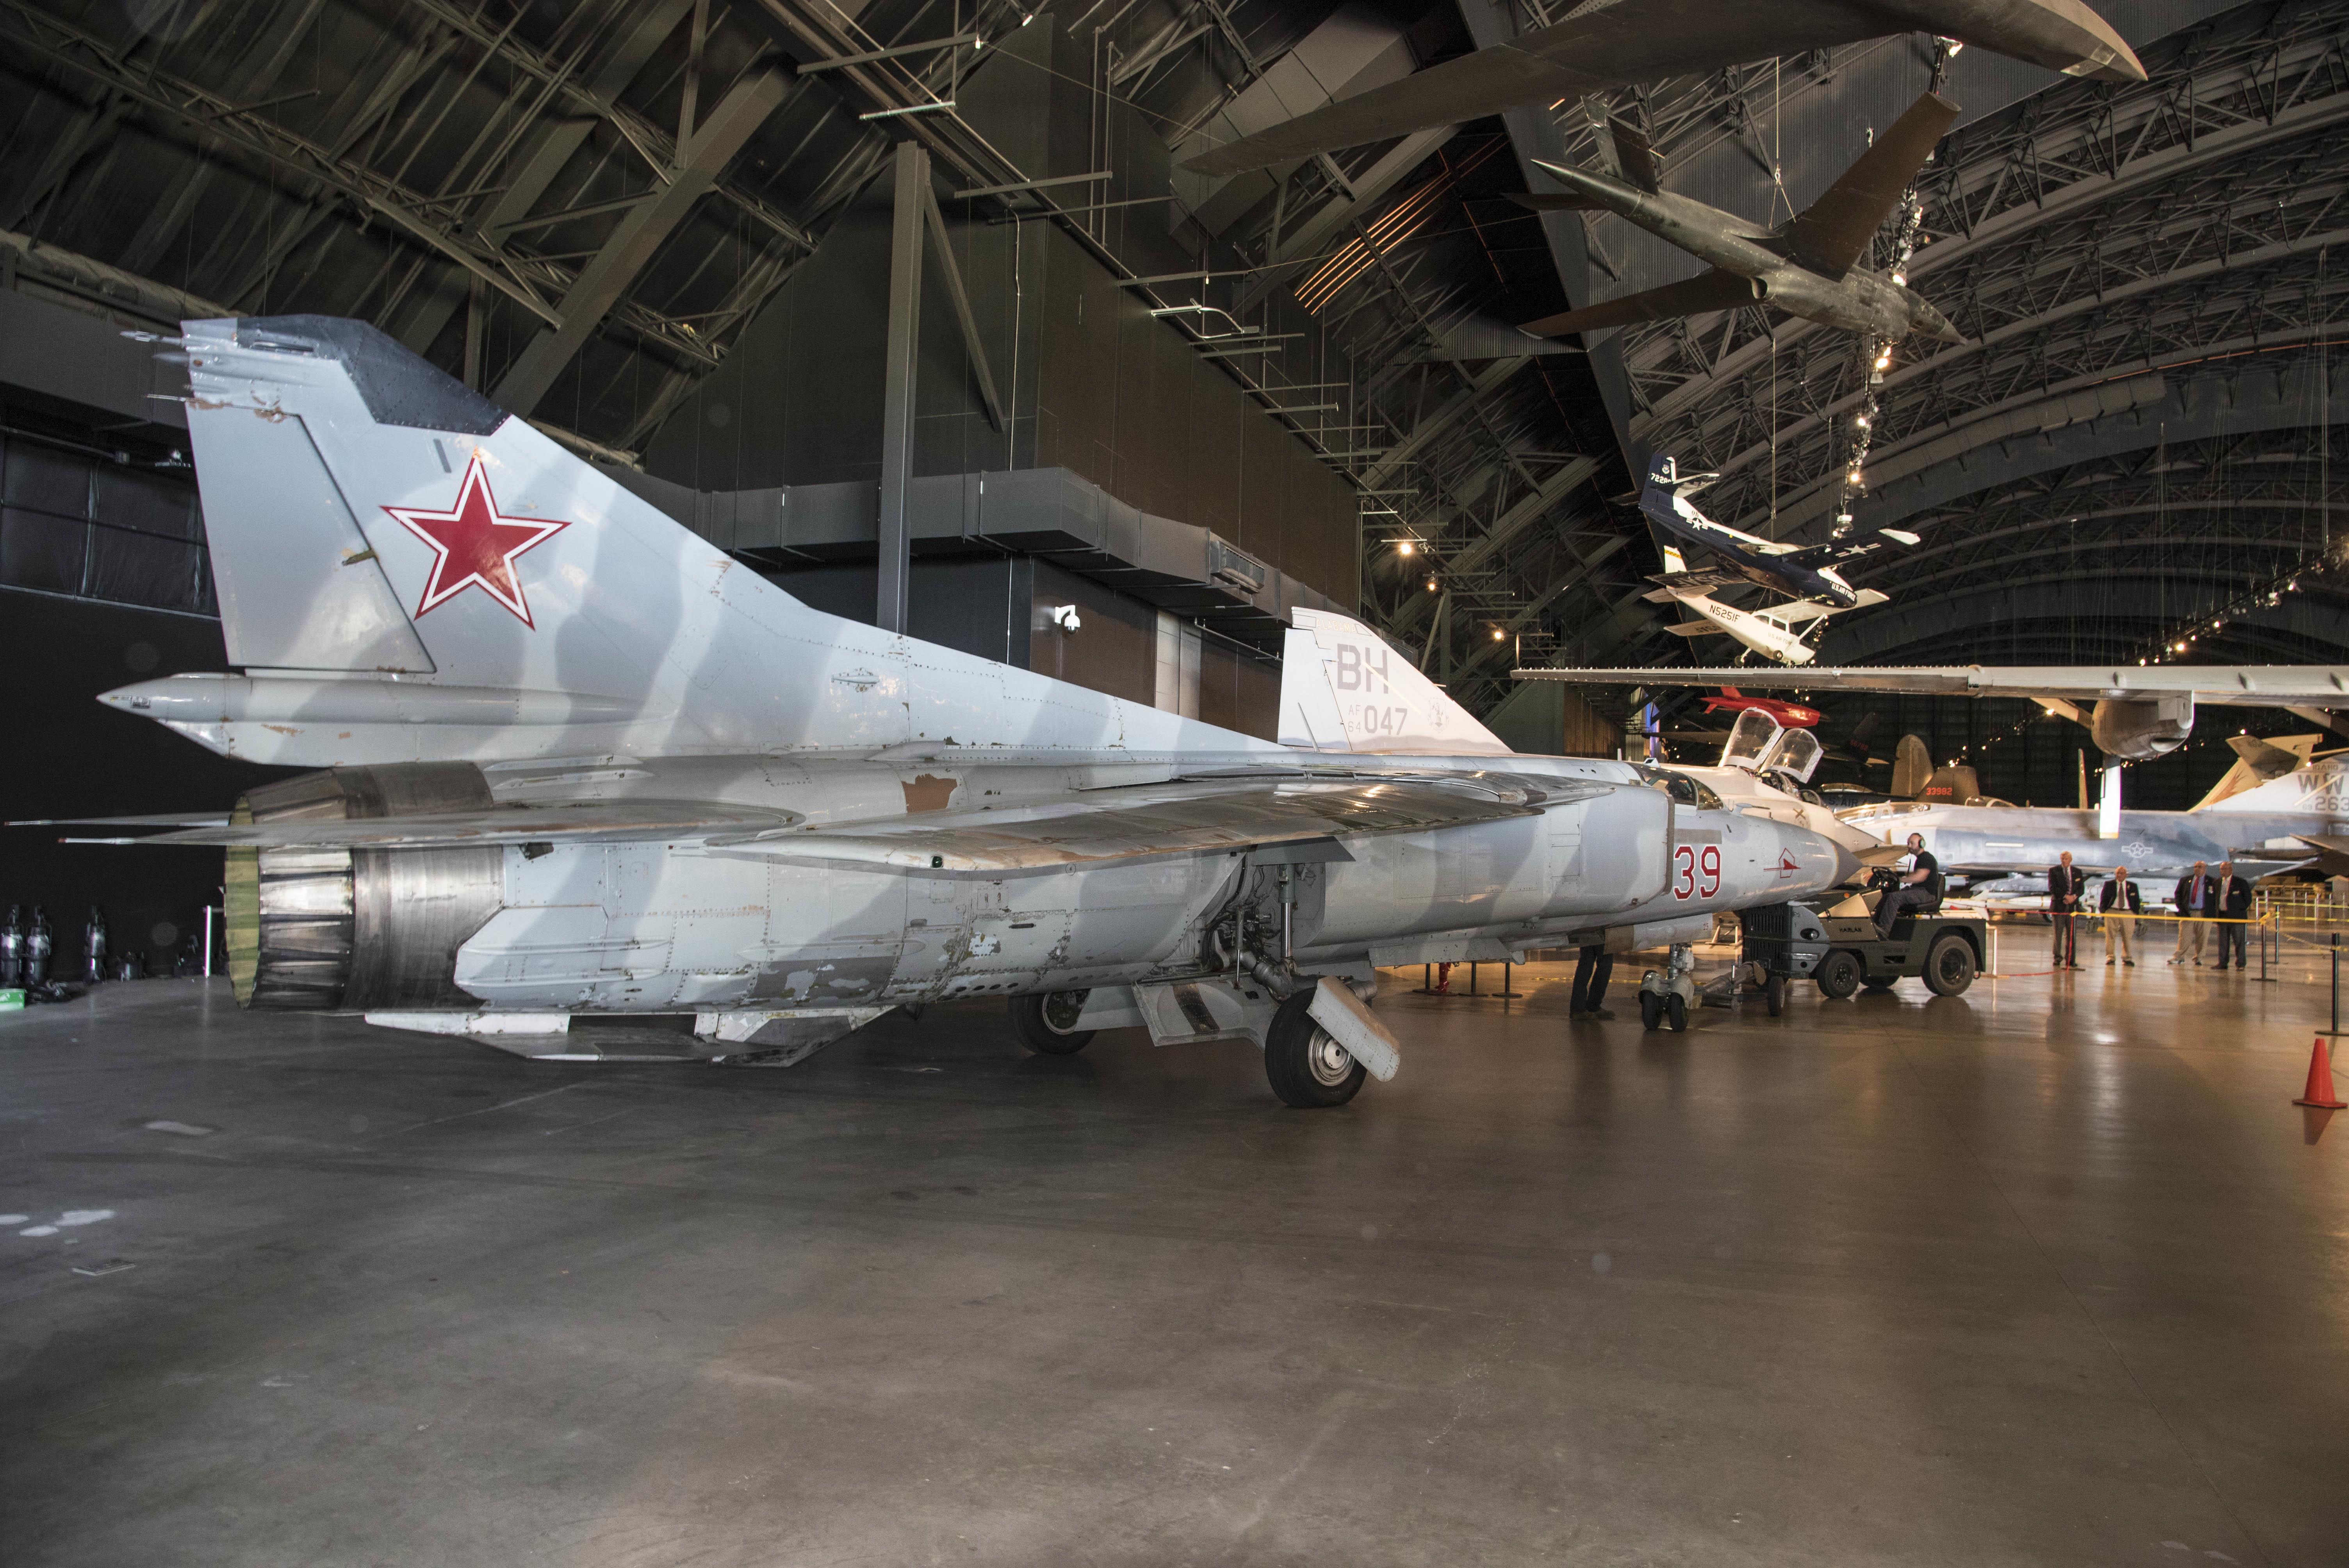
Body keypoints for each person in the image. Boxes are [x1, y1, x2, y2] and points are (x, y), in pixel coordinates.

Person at [1875, 832, 1940, 937]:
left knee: (1894, 898)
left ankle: (1884, 930)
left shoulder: (1927, 859)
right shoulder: (1921, 859)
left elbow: (1920, 877)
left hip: (1926, 894)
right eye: (1908, 843)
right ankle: (1876, 925)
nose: (1909, 846)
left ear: (1921, 844)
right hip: (1919, 891)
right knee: (1887, 897)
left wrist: (1901, 880)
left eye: (1912, 843)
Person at [2048, 851, 2088, 969]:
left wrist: (2074, 897)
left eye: (2066, 859)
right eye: (2062, 859)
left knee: (2071, 934)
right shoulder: (2054, 871)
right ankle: (2057, 958)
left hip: (2072, 907)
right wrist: (2065, 897)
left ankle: (2070, 959)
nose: (2064, 861)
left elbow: (2081, 889)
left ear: (2071, 860)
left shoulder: (2077, 872)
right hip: (2059, 906)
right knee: (2058, 934)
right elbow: (2052, 888)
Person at [2171, 861, 2215, 964]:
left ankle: (2199, 958)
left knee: (2203, 937)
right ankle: (2179, 957)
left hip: (2203, 914)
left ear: (2205, 869)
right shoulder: (2185, 880)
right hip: (2188, 913)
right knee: (2184, 937)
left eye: (2200, 867)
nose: (2197, 869)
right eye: (2195, 867)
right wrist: (2181, 909)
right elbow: (2178, 895)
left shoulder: (2212, 882)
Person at [2215, 860, 2254, 969]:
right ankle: (2222, 963)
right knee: (2223, 942)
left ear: (2231, 870)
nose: (2223, 871)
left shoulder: (2240, 882)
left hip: (2237, 918)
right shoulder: (2217, 883)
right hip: (2222, 917)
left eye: (2226, 869)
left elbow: (2248, 899)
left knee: (2239, 942)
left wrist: (2239, 909)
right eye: (2222, 869)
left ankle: (2241, 964)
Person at [2100, 865, 2141, 967]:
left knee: (2127, 936)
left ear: (2126, 875)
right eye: (2118, 873)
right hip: (2112, 911)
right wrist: (2104, 911)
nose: (2120, 875)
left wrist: (2134, 912)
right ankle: (2110, 957)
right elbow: (2103, 899)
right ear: (2115, 875)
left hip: (2127, 913)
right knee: (2110, 936)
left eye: (2122, 873)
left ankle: (2127, 958)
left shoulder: (2133, 886)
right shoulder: (2109, 884)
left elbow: (2137, 901)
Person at [1570, 941, 1615, 1019]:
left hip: (1585, 932)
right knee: (1605, 963)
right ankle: (1592, 1006)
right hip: (1600, 932)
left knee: (1587, 963)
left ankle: (1579, 1008)